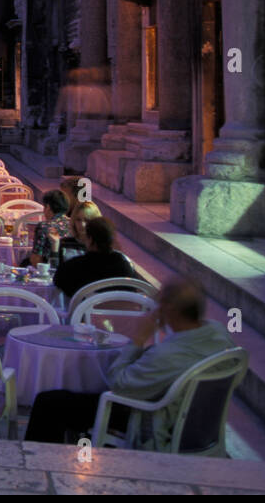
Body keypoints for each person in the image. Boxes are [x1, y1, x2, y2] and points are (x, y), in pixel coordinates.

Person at [24, 280, 236, 448]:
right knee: (73, 399)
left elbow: (117, 384)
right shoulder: (219, 334)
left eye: (159, 304)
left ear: (169, 310)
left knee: (49, 403)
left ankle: (36, 465)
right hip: (197, 421)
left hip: (151, 417)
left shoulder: (168, 355)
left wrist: (138, 339)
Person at [53, 217, 134, 299]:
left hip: (85, 311)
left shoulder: (73, 267)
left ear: (90, 239)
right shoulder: (125, 266)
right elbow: (132, 291)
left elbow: (57, 281)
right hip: (121, 311)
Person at [27, 189, 72, 268]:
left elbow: (36, 259)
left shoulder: (44, 226)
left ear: (48, 207)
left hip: (50, 269)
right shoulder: (74, 224)